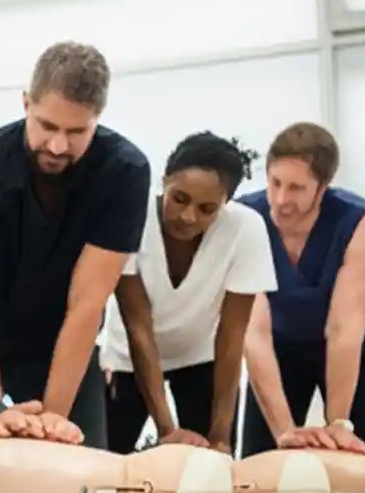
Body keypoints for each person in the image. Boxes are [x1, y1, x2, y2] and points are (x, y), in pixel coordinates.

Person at [0, 41, 151, 450]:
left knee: (75, 486)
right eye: (47, 126)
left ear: (98, 119)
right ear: (26, 103)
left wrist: (52, 420)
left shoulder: (125, 172)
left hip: (64, 351)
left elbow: (87, 304)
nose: (58, 146)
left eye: (76, 131)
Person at [101, 132, 276, 455]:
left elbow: (231, 338)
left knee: (212, 466)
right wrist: (167, 430)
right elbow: (138, 328)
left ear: (226, 204)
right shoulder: (130, 216)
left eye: (207, 208)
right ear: (164, 181)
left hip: (201, 357)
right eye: (179, 198)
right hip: (128, 354)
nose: (188, 216)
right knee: (109, 466)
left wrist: (221, 438)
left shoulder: (246, 229)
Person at [239, 122, 365, 459]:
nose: (281, 200)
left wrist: (338, 423)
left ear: (322, 187)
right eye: (275, 183)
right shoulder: (245, 218)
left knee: (359, 466)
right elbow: (253, 333)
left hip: (360, 349)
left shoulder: (360, 221)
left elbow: (344, 329)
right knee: (262, 465)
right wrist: (285, 432)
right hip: (280, 347)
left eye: (297, 188)